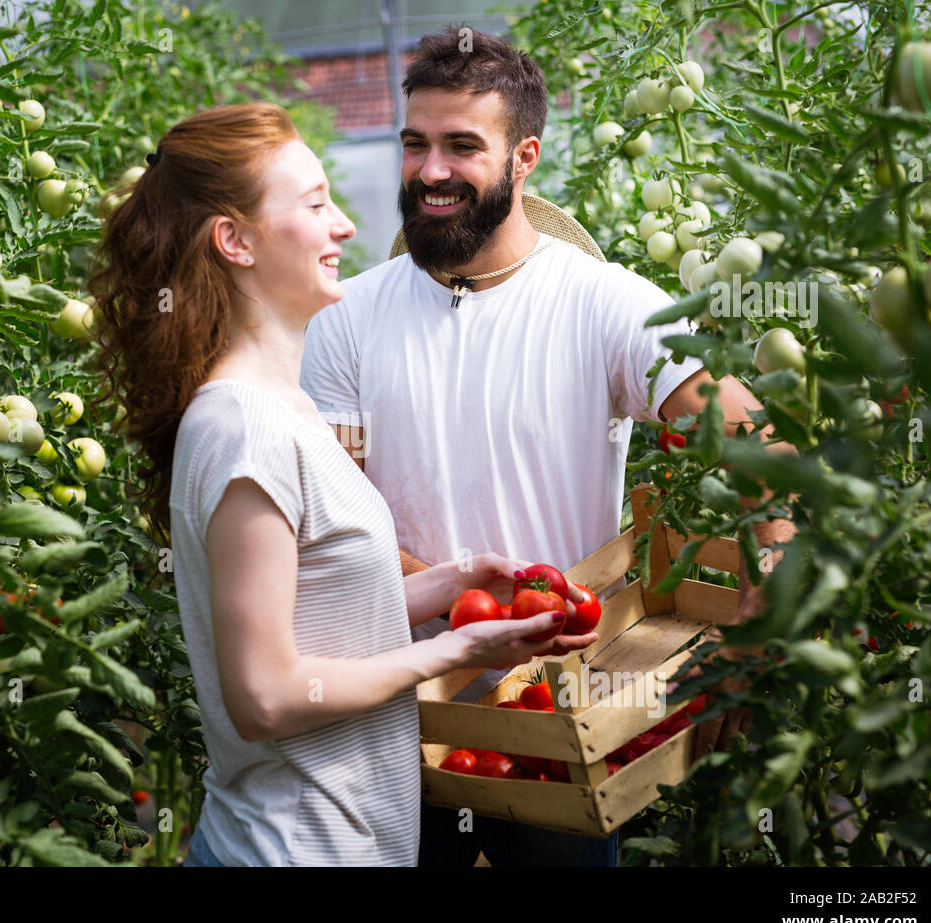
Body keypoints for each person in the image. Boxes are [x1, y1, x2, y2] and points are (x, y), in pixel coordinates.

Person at [301, 27, 789, 866]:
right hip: (404, 709)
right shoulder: (345, 319)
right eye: (415, 144)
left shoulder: (608, 307)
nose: (431, 171)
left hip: (565, 717)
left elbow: (751, 439)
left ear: (523, 157)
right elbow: (340, 520)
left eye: (463, 146)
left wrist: (769, 577)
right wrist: (464, 607)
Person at [87, 102, 600, 867]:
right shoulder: (246, 429)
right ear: (235, 241)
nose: (346, 228)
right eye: (315, 204)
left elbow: (318, 612)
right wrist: (452, 647)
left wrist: (452, 583)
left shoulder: (281, 408)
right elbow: (265, 697)